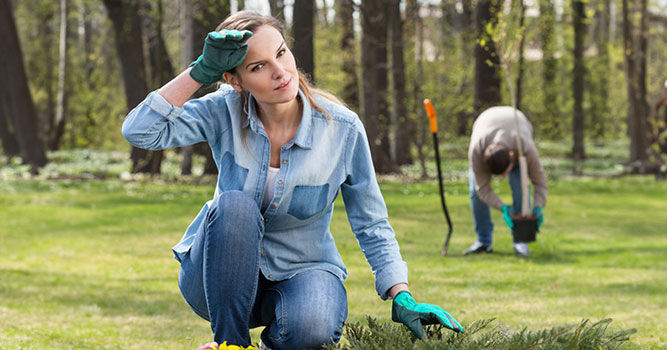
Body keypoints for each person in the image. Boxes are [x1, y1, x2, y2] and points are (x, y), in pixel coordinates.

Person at [121, 11, 461, 350]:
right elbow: (139, 130)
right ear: (235, 81)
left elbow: (371, 221)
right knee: (235, 205)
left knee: (313, 328)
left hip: (304, 270)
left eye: (281, 53)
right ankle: (230, 344)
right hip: (215, 277)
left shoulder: (342, 129)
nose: (280, 72)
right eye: (258, 67)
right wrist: (198, 74)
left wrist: (400, 293)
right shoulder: (222, 110)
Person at [463, 106, 547, 257]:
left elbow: (539, 181)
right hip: (485, 121)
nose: (503, 177)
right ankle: (484, 241)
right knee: (475, 193)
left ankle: (520, 240)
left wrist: (538, 206)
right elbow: (482, 188)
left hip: (517, 123)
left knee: (520, 187)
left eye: (506, 171)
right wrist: (503, 208)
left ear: (511, 155)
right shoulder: (476, 151)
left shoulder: (525, 147)